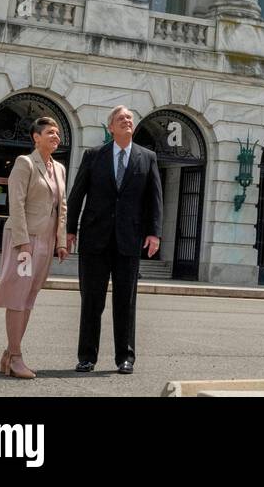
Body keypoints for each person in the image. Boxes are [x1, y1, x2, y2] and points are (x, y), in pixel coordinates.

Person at [66, 105, 162, 374]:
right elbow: (77, 194)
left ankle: (125, 358)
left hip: (129, 240)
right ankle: (87, 357)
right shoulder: (94, 155)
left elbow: (154, 198)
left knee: (126, 301)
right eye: (121, 118)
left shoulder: (148, 157)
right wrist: (69, 230)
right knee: (91, 301)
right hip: (94, 239)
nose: (126, 121)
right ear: (111, 127)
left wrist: (154, 232)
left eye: (130, 118)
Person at [0, 116, 68, 379]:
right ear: (36, 137)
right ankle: (15, 357)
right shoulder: (25, 163)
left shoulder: (59, 168)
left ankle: (9, 354)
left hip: (47, 241)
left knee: (29, 298)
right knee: (18, 296)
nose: (56, 137)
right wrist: (23, 242)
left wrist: (60, 241)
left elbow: (62, 208)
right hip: (25, 240)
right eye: (50, 132)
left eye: (58, 133)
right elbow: (16, 203)